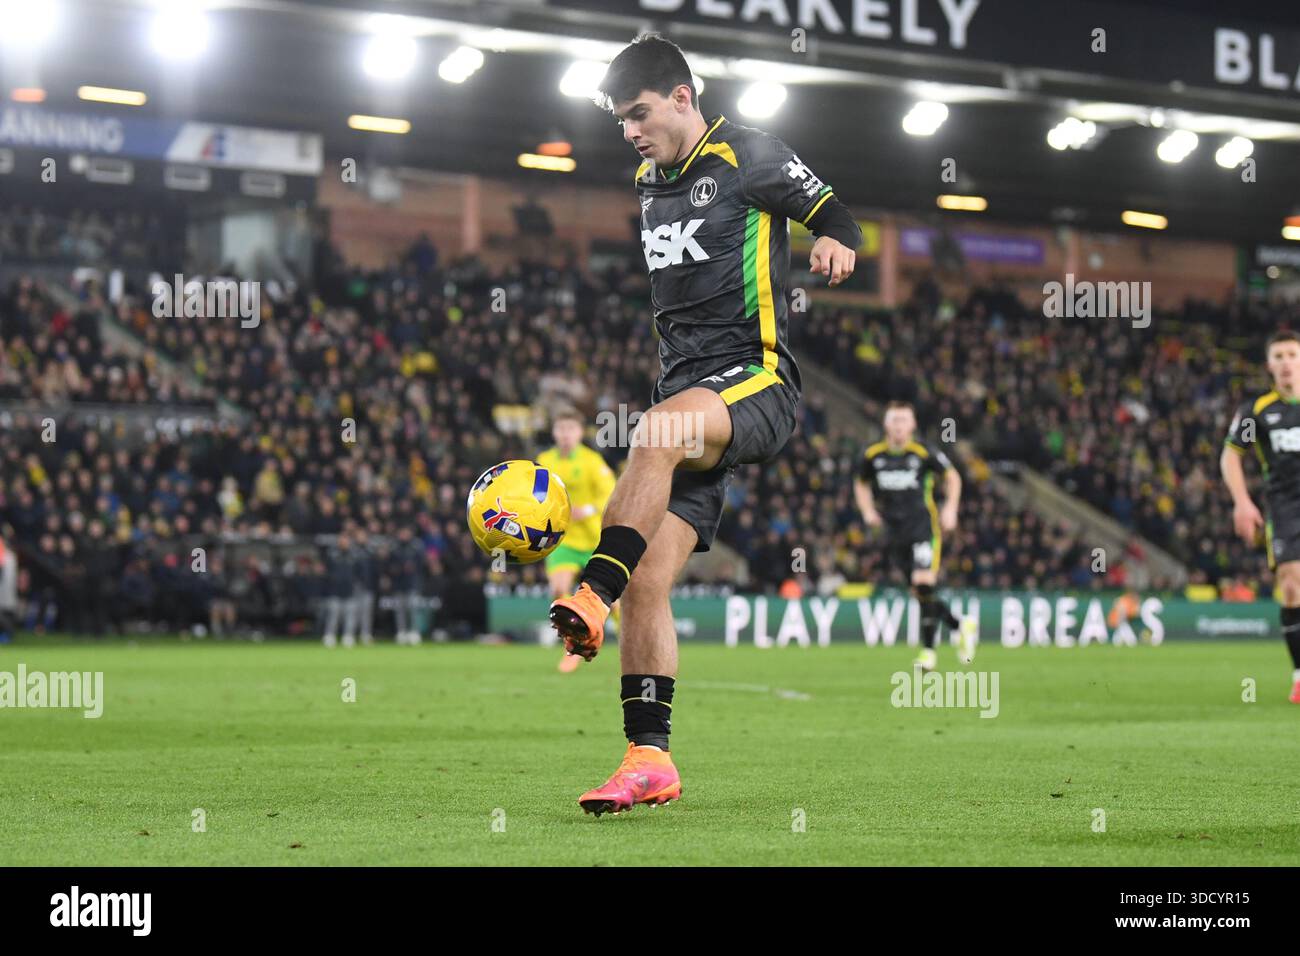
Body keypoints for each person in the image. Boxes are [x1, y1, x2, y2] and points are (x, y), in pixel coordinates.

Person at [547, 33, 861, 816]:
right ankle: (648, 756)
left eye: (641, 113)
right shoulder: (650, 178)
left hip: (756, 381)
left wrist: (833, 239)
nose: (630, 131)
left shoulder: (749, 155)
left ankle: (592, 591)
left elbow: (835, 213)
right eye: (621, 119)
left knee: (650, 434)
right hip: (688, 396)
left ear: (684, 97)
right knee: (653, 578)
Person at [854, 402, 977, 672]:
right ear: (886, 425)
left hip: (923, 528)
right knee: (921, 592)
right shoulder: (873, 455)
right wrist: (867, 511)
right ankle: (960, 625)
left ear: (912, 426)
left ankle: (928, 653)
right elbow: (861, 482)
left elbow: (953, 477)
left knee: (923, 584)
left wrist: (950, 508)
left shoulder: (923, 452)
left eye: (904, 421)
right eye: (894, 420)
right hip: (895, 532)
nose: (899, 426)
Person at [1221, 328, 1300, 703]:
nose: (1286, 363)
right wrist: (1242, 501)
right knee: (1291, 584)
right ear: (1269, 364)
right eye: (1279, 356)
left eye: (1292, 355)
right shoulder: (1258, 411)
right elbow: (1231, 454)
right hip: (1286, 508)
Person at [536, 408, 618, 672]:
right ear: (554, 433)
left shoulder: (592, 461)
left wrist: (589, 509)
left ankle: (627, 641)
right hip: (563, 540)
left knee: (613, 601)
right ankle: (572, 648)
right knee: (559, 589)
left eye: (570, 429)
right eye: (561, 429)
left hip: (594, 538)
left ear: (580, 433)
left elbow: (610, 492)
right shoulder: (544, 460)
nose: (566, 435)